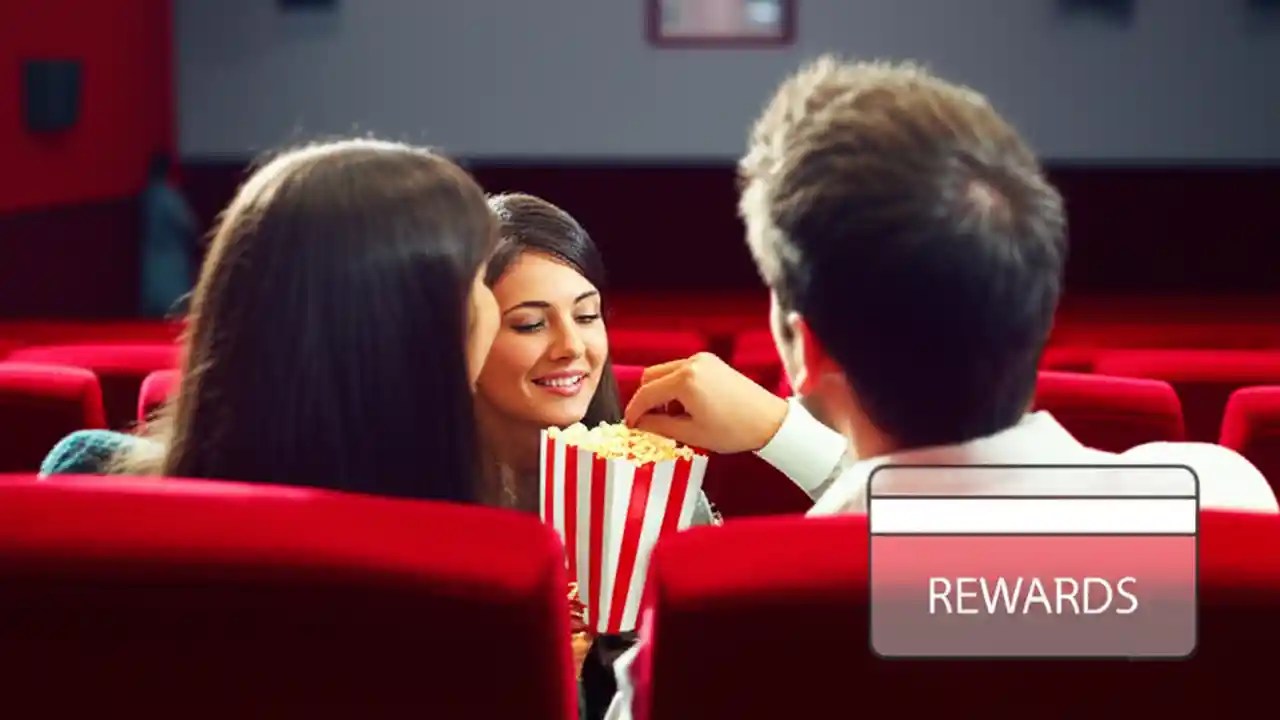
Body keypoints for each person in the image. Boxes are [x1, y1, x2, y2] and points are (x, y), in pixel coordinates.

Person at [604, 55, 1278, 719]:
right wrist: (789, 437)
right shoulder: (1227, 508)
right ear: (1036, 311)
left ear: (802, 349)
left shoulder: (723, 616)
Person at [41, 138, 500, 504]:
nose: (496, 302)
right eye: (482, 277)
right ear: (418, 337)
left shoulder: (84, 476)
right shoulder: (498, 549)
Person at [473, 192, 719, 720]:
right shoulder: (418, 494)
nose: (571, 346)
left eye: (587, 316)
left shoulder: (657, 488)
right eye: (530, 324)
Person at [138, 151, 200, 318]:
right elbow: (189, 225)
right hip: (173, 260)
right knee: (174, 304)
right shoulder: (170, 198)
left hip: (152, 258)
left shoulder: (147, 196)